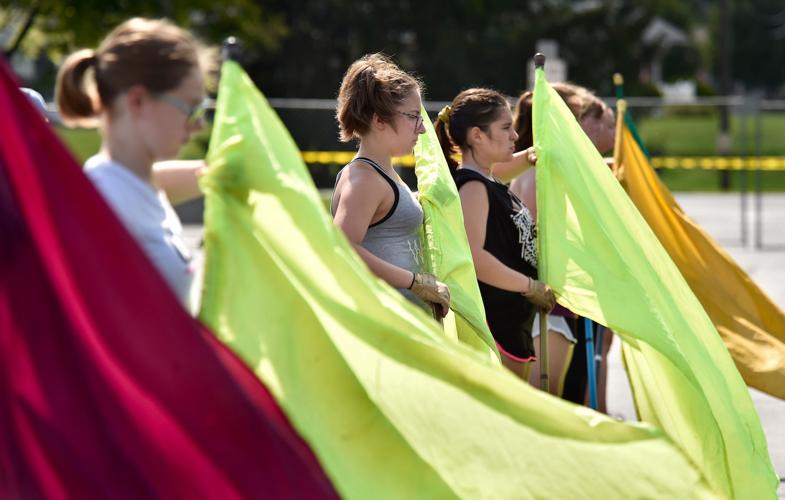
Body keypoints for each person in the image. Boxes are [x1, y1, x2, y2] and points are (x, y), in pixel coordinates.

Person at [56, 18, 207, 309]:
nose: (199, 124)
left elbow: (152, 186)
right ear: (138, 101)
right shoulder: (102, 203)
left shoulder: (134, 184)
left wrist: (219, 174)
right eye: (190, 108)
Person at [434, 88, 555, 380]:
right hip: (495, 323)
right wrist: (530, 286)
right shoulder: (473, 187)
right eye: (505, 127)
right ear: (477, 135)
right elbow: (475, 257)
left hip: (513, 321)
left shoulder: (488, 178)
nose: (515, 135)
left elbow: (510, 166)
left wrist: (536, 153)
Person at [510, 83, 616, 406]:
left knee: (555, 395)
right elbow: (537, 241)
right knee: (547, 400)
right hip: (544, 301)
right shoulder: (538, 174)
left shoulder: (545, 171)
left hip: (556, 299)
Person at [331, 53, 450, 317]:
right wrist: (414, 282)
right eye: (413, 117)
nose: (421, 128)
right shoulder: (364, 179)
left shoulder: (383, 174)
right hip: (385, 328)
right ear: (379, 120)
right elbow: (341, 247)